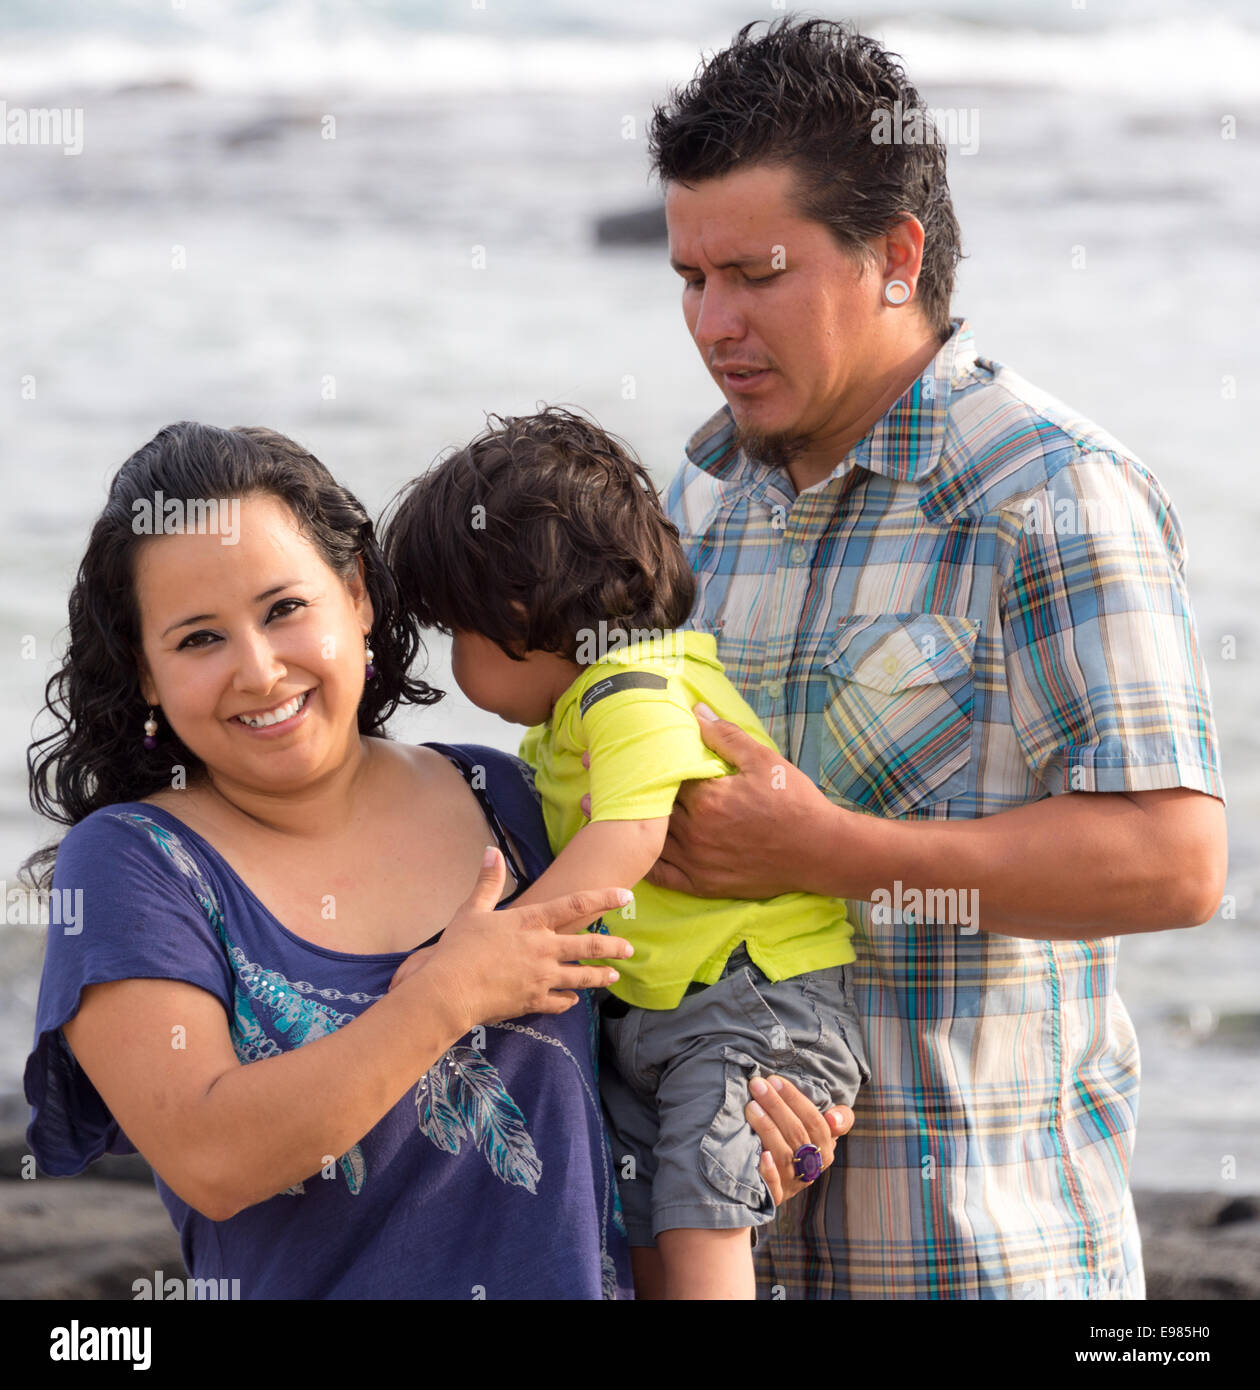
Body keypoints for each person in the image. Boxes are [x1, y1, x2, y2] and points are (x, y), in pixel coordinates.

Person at [644, 18, 1228, 1299]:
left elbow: (1174, 863)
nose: (714, 321)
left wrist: (827, 850)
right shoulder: (698, 492)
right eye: (692, 277)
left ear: (896, 257)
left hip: (981, 1264)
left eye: (755, 272)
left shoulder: (1052, 494)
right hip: (728, 1258)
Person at [21, 420, 643, 1299]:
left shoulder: (509, 798)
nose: (261, 670)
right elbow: (212, 1156)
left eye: (284, 610)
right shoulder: (134, 866)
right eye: (200, 638)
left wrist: (754, 1099)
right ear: (145, 671)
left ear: (355, 596)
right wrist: (444, 996)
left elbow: (650, 1035)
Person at [381, 407, 870, 1299]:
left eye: (459, 632)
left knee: (700, 1216)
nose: (454, 663)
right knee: (646, 1223)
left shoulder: (633, 690)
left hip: (749, 1000)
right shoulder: (575, 718)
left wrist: (493, 951)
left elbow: (628, 837)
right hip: (668, 1015)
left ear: (521, 613)